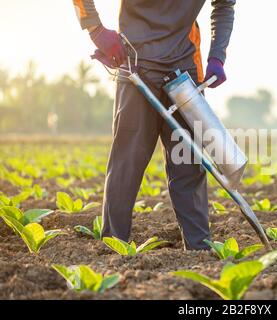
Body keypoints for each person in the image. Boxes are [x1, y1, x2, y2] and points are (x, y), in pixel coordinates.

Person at [72, 0, 236, 250]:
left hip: (185, 68)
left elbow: (224, 5)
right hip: (135, 63)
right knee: (127, 163)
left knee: (188, 163)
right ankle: (113, 247)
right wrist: (95, 29)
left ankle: (199, 252)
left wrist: (218, 55)